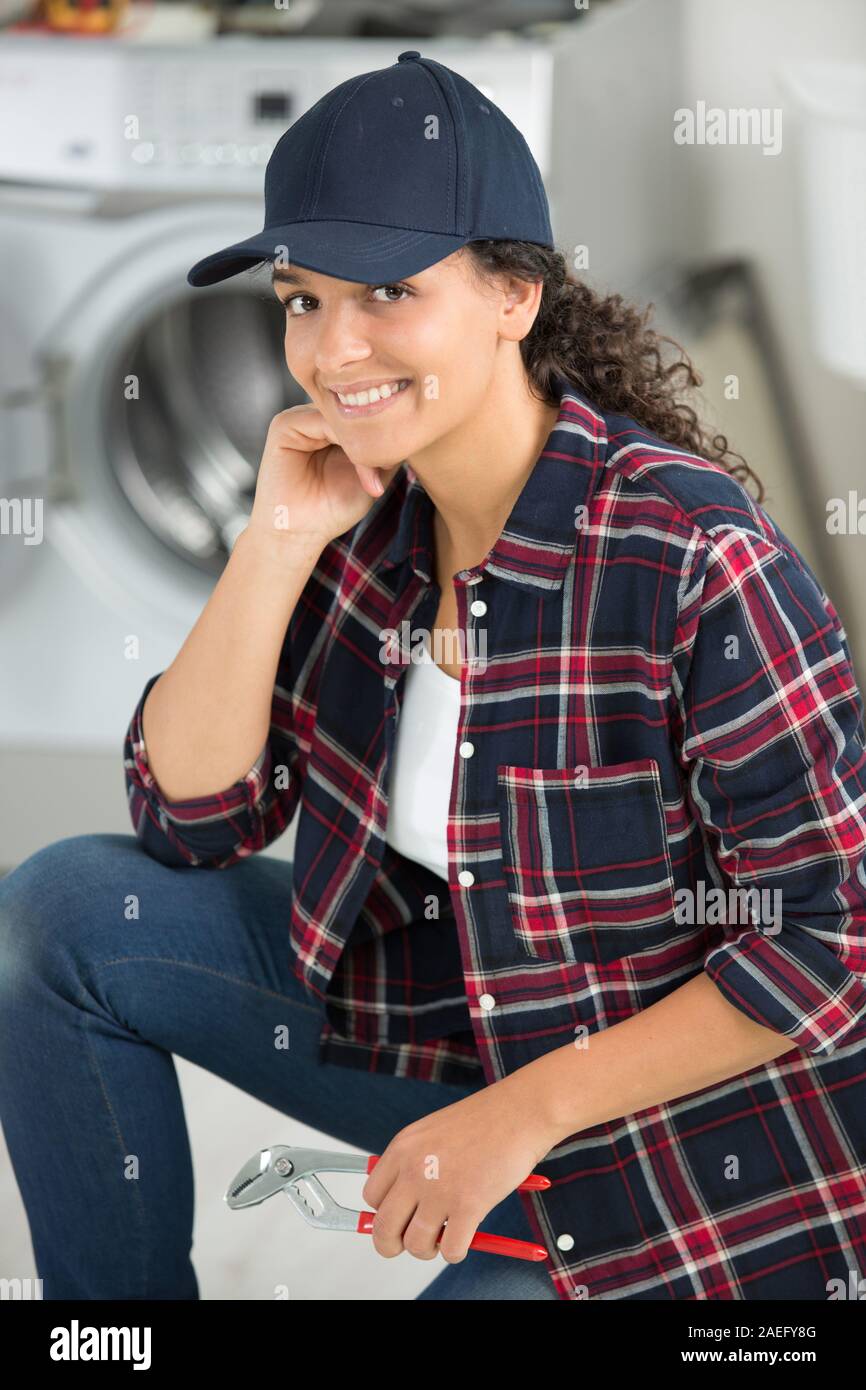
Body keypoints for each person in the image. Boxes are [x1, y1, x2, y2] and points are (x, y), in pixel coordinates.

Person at [2, 51, 866, 1303]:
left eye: (387, 292)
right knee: (61, 912)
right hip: (451, 1036)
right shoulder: (363, 520)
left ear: (514, 297)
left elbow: (824, 943)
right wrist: (275, 541)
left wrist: (516, 1118)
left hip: (683, 1143)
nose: (332, 349)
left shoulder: (688, 555)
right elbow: (187, 819)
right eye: (301, 299)